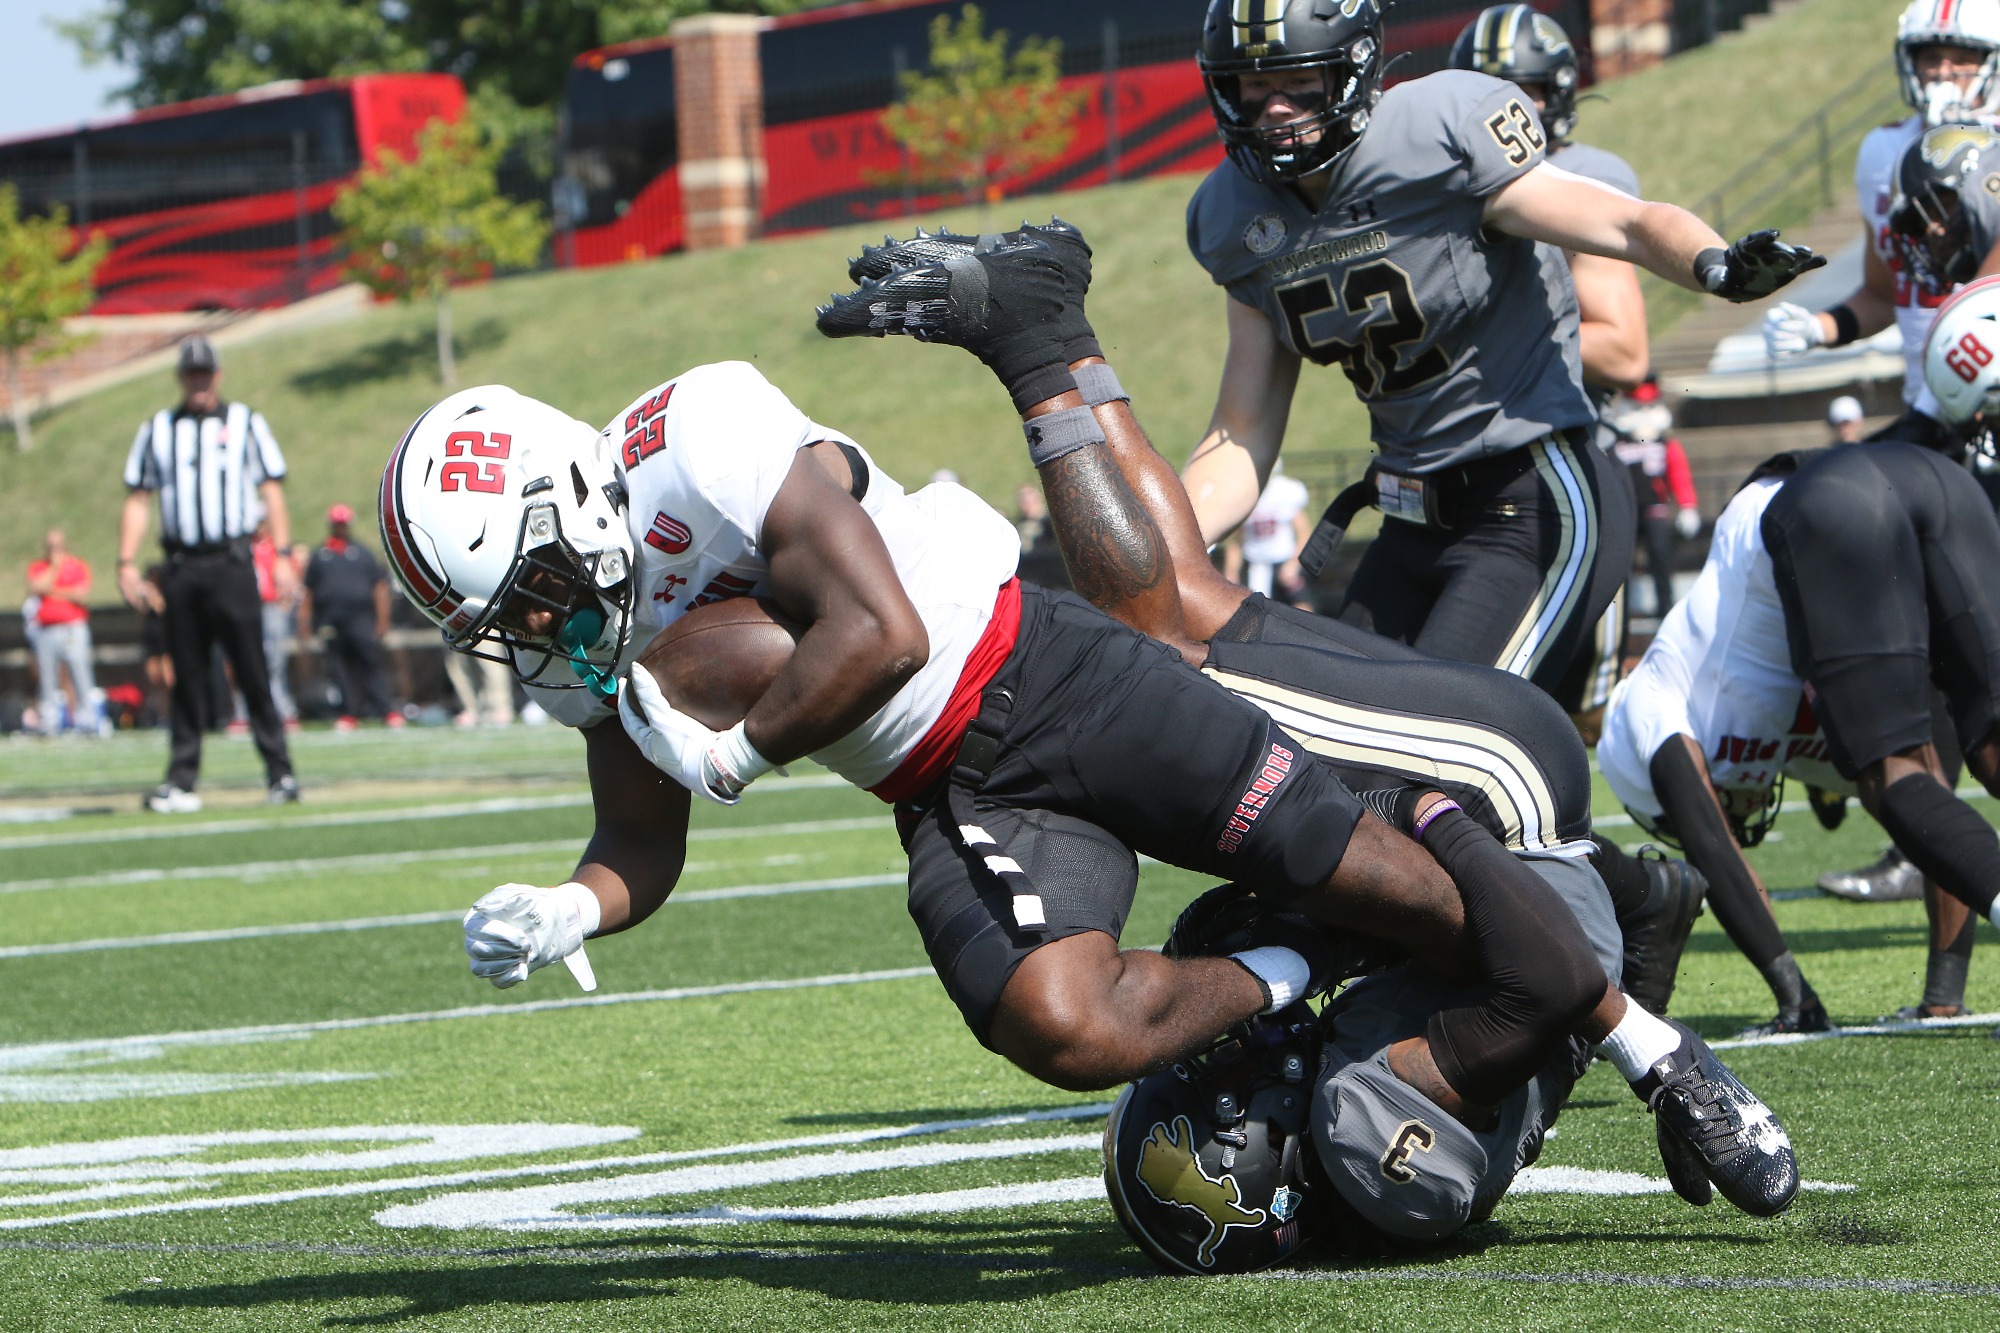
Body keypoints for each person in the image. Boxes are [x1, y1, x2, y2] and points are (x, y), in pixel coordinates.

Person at [380, 359, 1791, 1214]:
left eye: (538, 586)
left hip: (1047, 669)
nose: (543, 630)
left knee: (1424, 902)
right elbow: (641, 828)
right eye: (507, 619)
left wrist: (742, 751)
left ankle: (1651, 1046)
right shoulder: (594, 646)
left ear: (568, 492)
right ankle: (1300, 950)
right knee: (1058, 1020)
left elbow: (885, 635)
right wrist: (575, 903)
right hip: (950, 789)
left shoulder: (702, 431)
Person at [825, 219, 1706, 1021]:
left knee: (1159, 645)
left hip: (1504, 782)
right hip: (1500, 784)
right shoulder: (1243, 200)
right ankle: (1050, 330)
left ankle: (1036, 342)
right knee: (1174, 603)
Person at [1172, 0, 1818, 730]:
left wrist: (1714, 264)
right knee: (1330, 756)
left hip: (1532, 496)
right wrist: (1157, 556)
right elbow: (1241, 430)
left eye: (1298, 82)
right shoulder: (1232, 213)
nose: (1274, 110)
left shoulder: (1437, 136)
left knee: (1439, 750)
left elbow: (1625, 221)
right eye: (1251, 87)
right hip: (1411, 515)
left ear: (1350, 70)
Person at [1599, 278, 2000, 1028]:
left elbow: (1718, 860)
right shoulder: (1786, 728)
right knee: (1981, 752)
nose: (1745, 815)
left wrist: (1796, 999)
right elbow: (1938, 803)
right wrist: (1944, 997)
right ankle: (1945, 992)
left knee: (1898, 777)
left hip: (1804, 512)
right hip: (1913, 487)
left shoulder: (1650, 713)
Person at [1763, 0, 2000, 456]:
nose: (1943, 72)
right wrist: (1821, 328)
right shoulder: (1883, 151)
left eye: (1961, 57)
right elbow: (1887, 291)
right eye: (1930, 57)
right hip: (1926, 410)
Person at [116, 335, 298, 812]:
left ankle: (280, 774)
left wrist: (279, 555)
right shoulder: (158, 429)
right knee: (187, 676)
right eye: (190, 374)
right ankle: (182, 780)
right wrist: (125, 561)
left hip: (232, 563)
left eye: (205, 373)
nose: (198, 381)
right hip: (180, 566)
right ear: (181, 379)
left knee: (253, 670)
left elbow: (272, 489)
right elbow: (138, 497)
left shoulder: (246, 423)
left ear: (217, 375)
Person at [1608, 380, 1700, 619]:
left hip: (1655, 509)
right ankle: (1620, 615)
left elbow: (1678, 474)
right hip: (1624, 512)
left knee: (1661, 559)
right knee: (1620, 564)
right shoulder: (1615, 444)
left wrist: (1688, 506)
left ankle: (1666, 612)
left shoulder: (1665, 445)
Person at [300, 503, 398, 729]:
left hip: (361, 618)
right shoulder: (321, 555)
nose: (340, 528)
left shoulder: (362, 553)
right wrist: (305, 621)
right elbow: (308, 591)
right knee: (338, 667)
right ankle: (349, 711)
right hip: (331, 620)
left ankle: (386, 709)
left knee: (371, 662)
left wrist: (383, 620)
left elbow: (379, 587)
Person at [25, 529, 99, 737]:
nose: (54, 550)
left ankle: (88, 720)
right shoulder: (39, 567)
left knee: (80, 673)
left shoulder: (77, 566)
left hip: (72, 627)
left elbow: (81, 596)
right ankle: (49, 722)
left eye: (57, 545)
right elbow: (37, 587)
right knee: (47, 678)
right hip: (46, 629)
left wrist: (53, 591)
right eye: (50, 546)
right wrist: (55, 569)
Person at [1222, 463, 1311, 605]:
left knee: (1302, 609)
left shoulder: (1286, 492)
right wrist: (1231, 572)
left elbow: (1304, 533)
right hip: (1256, 563)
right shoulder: (1244, 496)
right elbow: (1236, 541)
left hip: (1284, 560)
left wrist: (1294, 563)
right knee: (1255, 613)